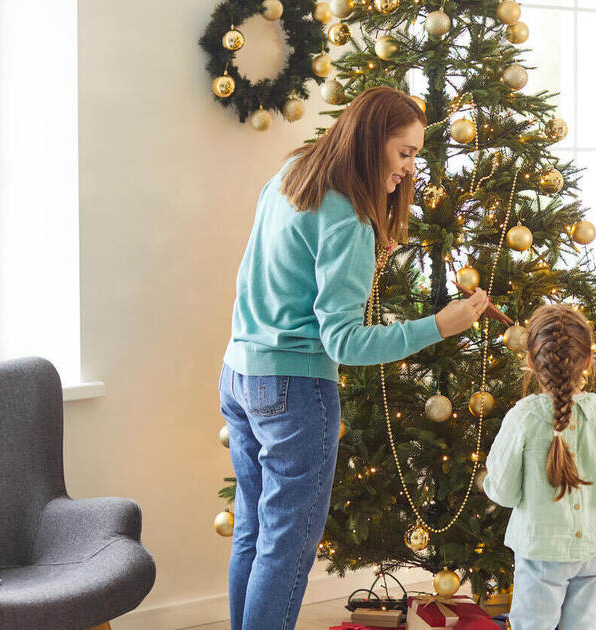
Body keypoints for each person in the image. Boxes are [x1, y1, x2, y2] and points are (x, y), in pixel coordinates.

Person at [218, 86, 490, 630]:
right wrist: (441, 324)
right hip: (294, 390)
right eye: (404, 153)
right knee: (286, 546)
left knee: (254, 532)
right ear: (371, 142)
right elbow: (344, 342)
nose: (410, 170)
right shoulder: (347, 214)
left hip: (240, 375)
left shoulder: (293, 176)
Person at [483, 305, 596, 630]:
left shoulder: (523, 417)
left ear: (530, 361)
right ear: (586, 362)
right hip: (595, 549)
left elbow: (504, 492)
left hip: (541, 549)